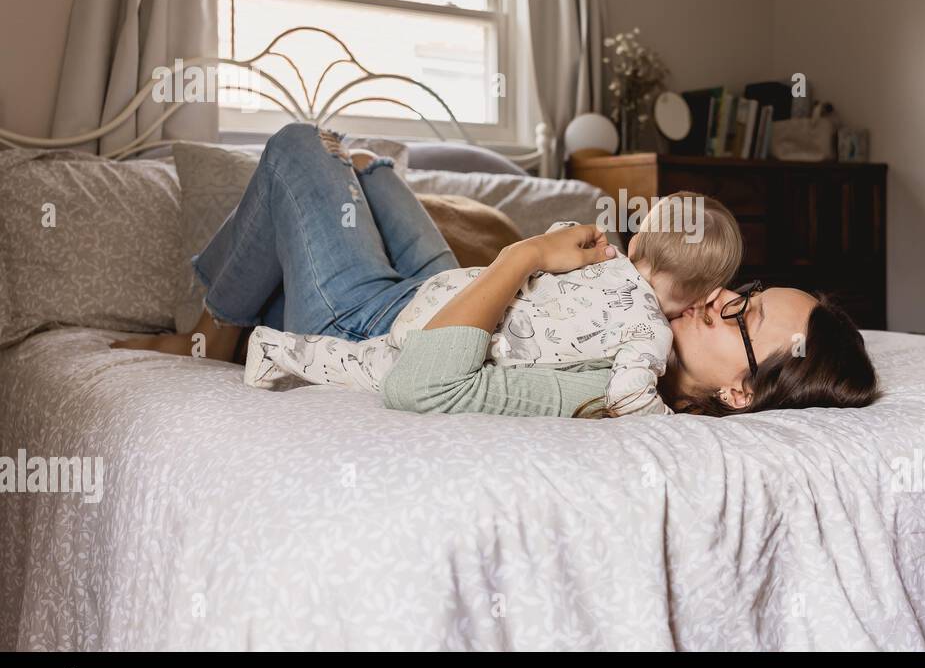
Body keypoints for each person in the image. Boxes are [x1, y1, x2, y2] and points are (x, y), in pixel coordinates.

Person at [115, 123, 880, 417]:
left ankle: (214, 331)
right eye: (741, 292)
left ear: (741, 391)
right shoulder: (634, 290)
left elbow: (422, 384)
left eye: (743, 316)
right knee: (368, 165)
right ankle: (258, 291)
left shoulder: (615, 381)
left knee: (293, 149)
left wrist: (523, 256)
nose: (721, 300)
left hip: (378, 322)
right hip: (433, 288)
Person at [242, 192, 745, 417]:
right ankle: (275, 348)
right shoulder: (647, 331)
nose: (723, 302)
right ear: (699, 293)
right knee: (365, 364)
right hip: (449, 330)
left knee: (327, 161)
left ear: (639, 242)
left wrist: (540, 248)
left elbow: (548, 244)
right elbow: (630, 395)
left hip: (448, 292)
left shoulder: (599, 252)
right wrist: (660, 420)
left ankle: (369, 170)